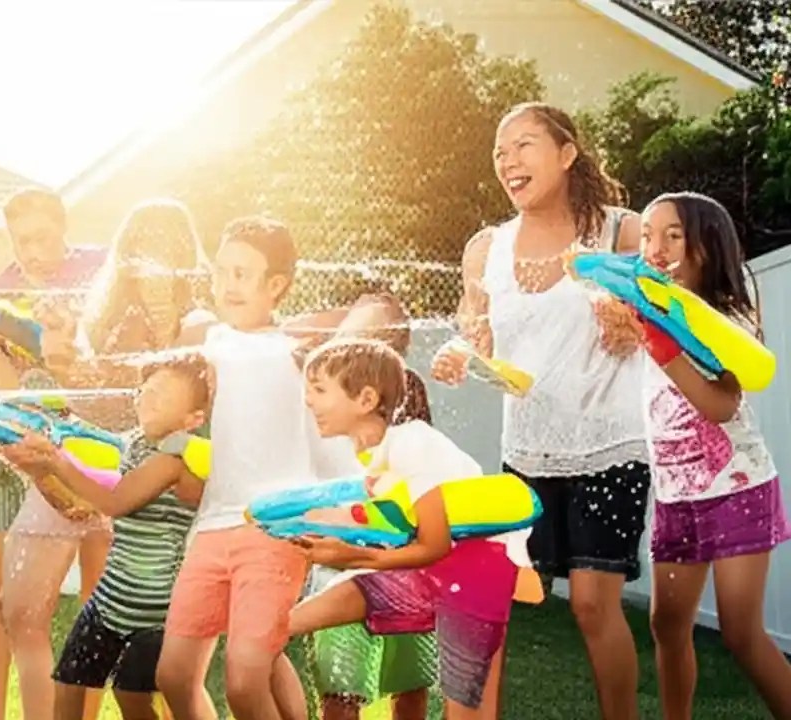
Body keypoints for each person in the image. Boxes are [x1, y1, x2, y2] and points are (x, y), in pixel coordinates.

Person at [431, 102, 648, 720]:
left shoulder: (620, 233)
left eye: (523, 145)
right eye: (500, 153)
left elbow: (661, 325)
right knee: (495, 594)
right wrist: (455, 354)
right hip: (526, 448)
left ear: (567, 153)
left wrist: (630, 323)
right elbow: (475, 339)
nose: (508, 161)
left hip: (610, 446)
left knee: (590, 603)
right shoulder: (487, 248)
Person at [290, 338, 528, 719]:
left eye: (318, 389)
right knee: (279, 627)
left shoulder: (411, 446)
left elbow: (434, 545)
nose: (308, 400)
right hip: (424, 573)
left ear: (366, 399)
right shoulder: (374, 456)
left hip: (477, 576)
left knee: (466, 713)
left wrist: (351, 556)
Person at [0, 187, 111, 720]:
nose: (33, 251)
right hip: (48, 466)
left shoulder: (102, 270)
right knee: (23, 610)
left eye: (43, 237)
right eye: (22, 241)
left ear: (64, 229)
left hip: (111, 459)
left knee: (102, 611)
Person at [634, 192, 791, 719]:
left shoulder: (726, 317)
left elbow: (720, 406)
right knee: (666, 625)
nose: (654, 248)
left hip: (737, 489)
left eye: (672, 235)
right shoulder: (651, 308)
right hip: (677, 494)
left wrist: (664, 349)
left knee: (741, 633)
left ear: (707, 243)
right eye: (647, 235)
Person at [154, 216, 316, 720]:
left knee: (246, 680)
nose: (228, 285)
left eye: (243, 274)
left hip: (273, 528)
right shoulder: (211, 346)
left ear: (277, 285)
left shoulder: (298, 353)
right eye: (221, 271)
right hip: (212, 528)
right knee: (175, 677)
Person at [1, 356, 210, 720]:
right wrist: (37, 445)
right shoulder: (136, 443)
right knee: (69, 684)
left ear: (193, 419)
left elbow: (115, 502)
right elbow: (92, 454)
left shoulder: (177, 458)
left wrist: (55, 461)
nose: (152, 398)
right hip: (110, 597)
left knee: (131, 696)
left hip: (155, 607)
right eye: (149, 389)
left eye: (166, 394)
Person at [305, 293, 436, 720]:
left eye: (377, 335)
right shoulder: (319, 389)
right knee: (340, 689)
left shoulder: (406, 389)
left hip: (398, 557)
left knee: (411, 683)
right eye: (355, 330)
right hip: (337, 559)